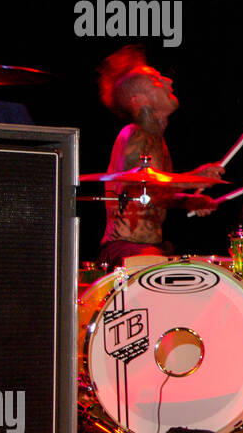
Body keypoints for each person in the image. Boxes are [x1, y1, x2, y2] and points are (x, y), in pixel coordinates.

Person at [95, 45, 223, 269]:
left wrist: (188, 200)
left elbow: (150, 198)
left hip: (145, 249)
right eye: (156, 81)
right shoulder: (134, 134)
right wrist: (194, 177)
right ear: (140, 101)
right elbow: (143, 187)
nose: (169, 81)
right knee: (160, 268)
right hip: (123, 249)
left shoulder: (157, 141)